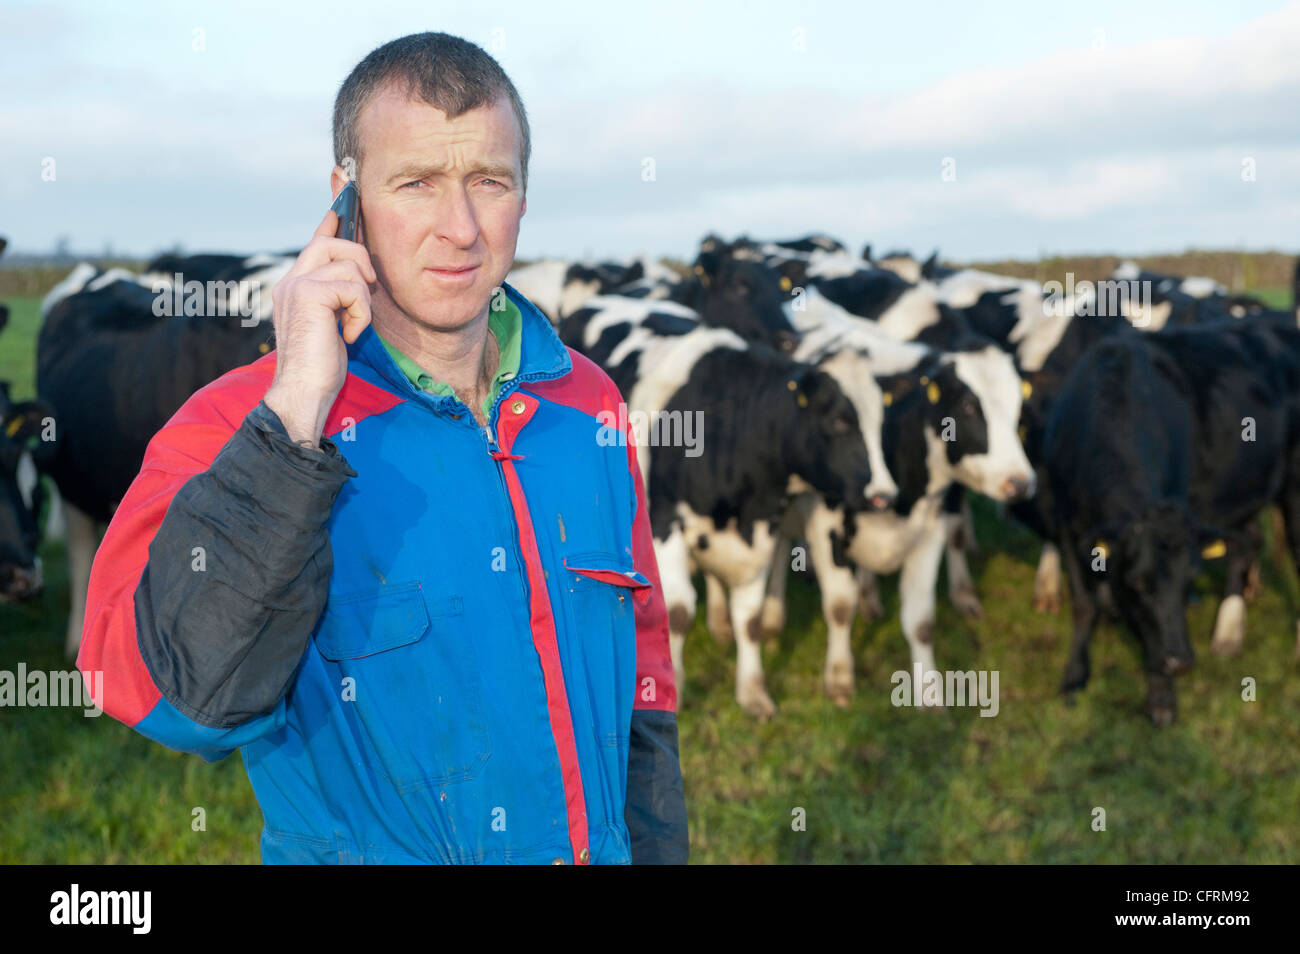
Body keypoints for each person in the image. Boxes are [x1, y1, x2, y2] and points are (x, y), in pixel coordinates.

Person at [77, 31, 688, 865]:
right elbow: (165, 696)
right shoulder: (244, 422)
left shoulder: (588, 403)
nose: (461, 227)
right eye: (417, 183)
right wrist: (293, 412)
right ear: (346, 199)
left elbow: (642, 673)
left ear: (523, 195)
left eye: (489, 181)